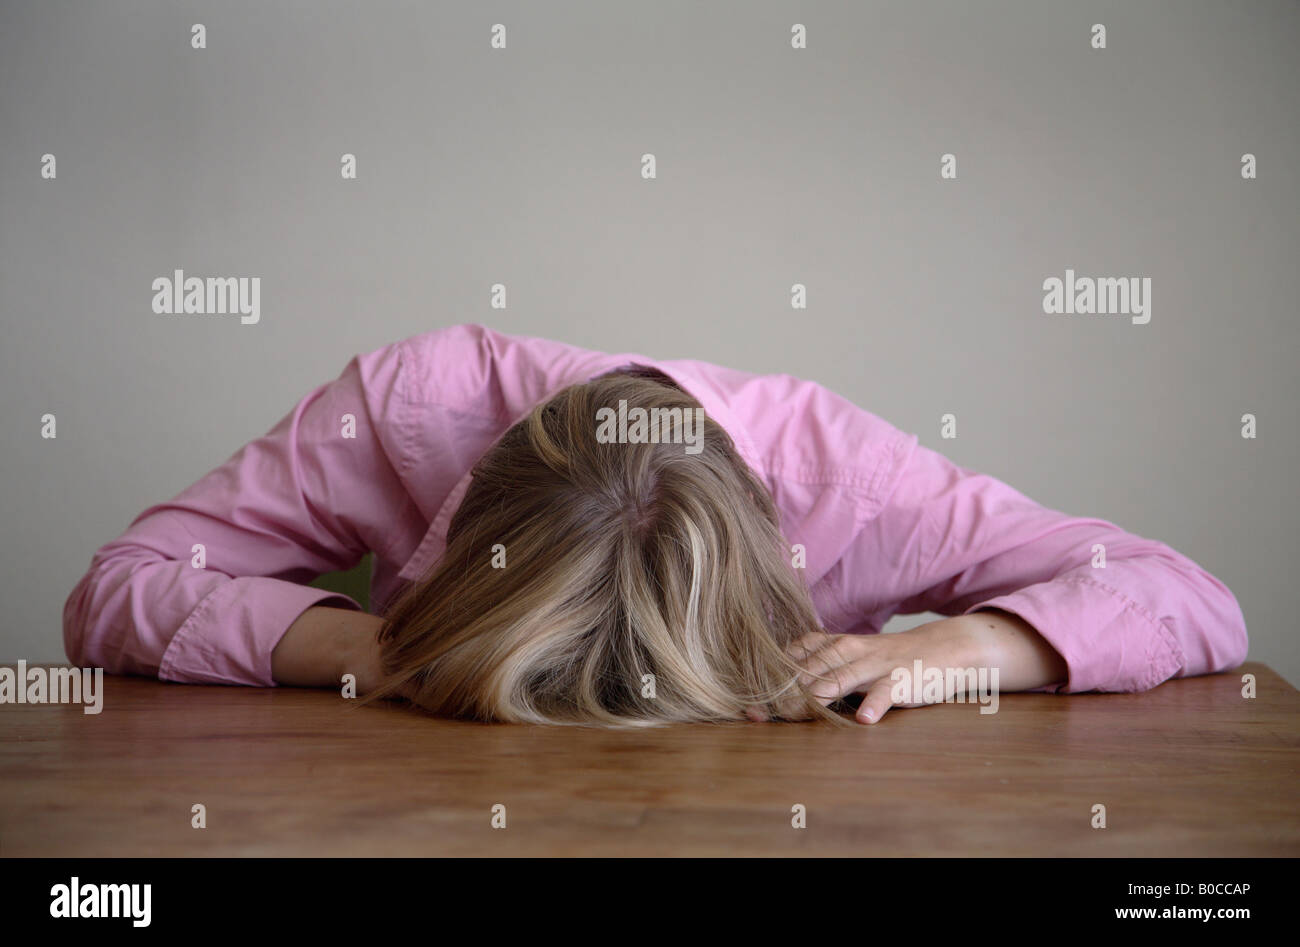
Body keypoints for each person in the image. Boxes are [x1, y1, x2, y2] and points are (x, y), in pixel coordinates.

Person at [63, 323, 1248, 727]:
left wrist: (959, 649)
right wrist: (367, 649)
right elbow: (118, 584)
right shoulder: (404, 407)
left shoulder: (858, 483)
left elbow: (1187, 592)